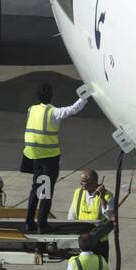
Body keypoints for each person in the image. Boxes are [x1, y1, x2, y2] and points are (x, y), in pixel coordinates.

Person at [22, 83, 92, 234]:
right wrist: (85, 96)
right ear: (51, 96)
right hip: (48, 158)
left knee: (36, 189)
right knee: (46, 191)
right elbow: (73, 109)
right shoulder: (53, 112)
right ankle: (41, 224)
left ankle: (29, 222)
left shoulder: (31, 109)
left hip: (33, 155)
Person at [67, 169, 116, 260]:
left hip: (99, 242)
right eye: (81, 181)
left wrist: (101, 197)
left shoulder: (108, 196)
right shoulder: (78, 192)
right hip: (82, 241)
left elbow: (110, 217)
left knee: (99, 269)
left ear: (93, 182)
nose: (81, 183)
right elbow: (72, 215)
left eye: (84, 181)